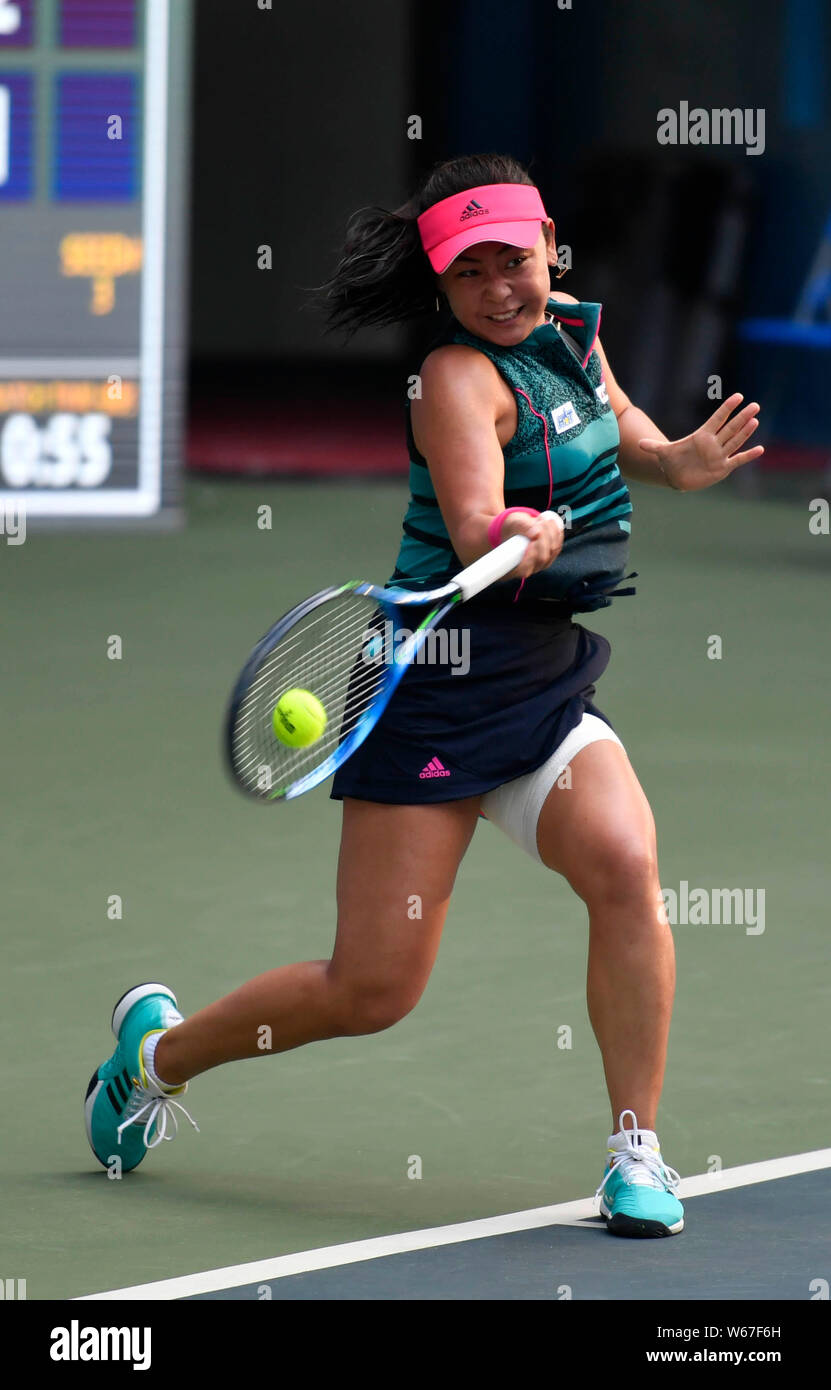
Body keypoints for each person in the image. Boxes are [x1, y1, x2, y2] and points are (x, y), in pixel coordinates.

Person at [85, 153, 763, 1239]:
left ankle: (636, 1148)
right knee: (373, 989)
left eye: (516, 259)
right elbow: (471, 520)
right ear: (443, 288)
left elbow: (618, 424)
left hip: (543, 686)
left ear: (552, 249)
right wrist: (516, 532)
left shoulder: (575, 336)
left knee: (629, 868)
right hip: (433, 695)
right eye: (473, 271)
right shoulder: (453, 379)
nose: (501, 287)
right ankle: (154, 1056)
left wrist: (673, 457)